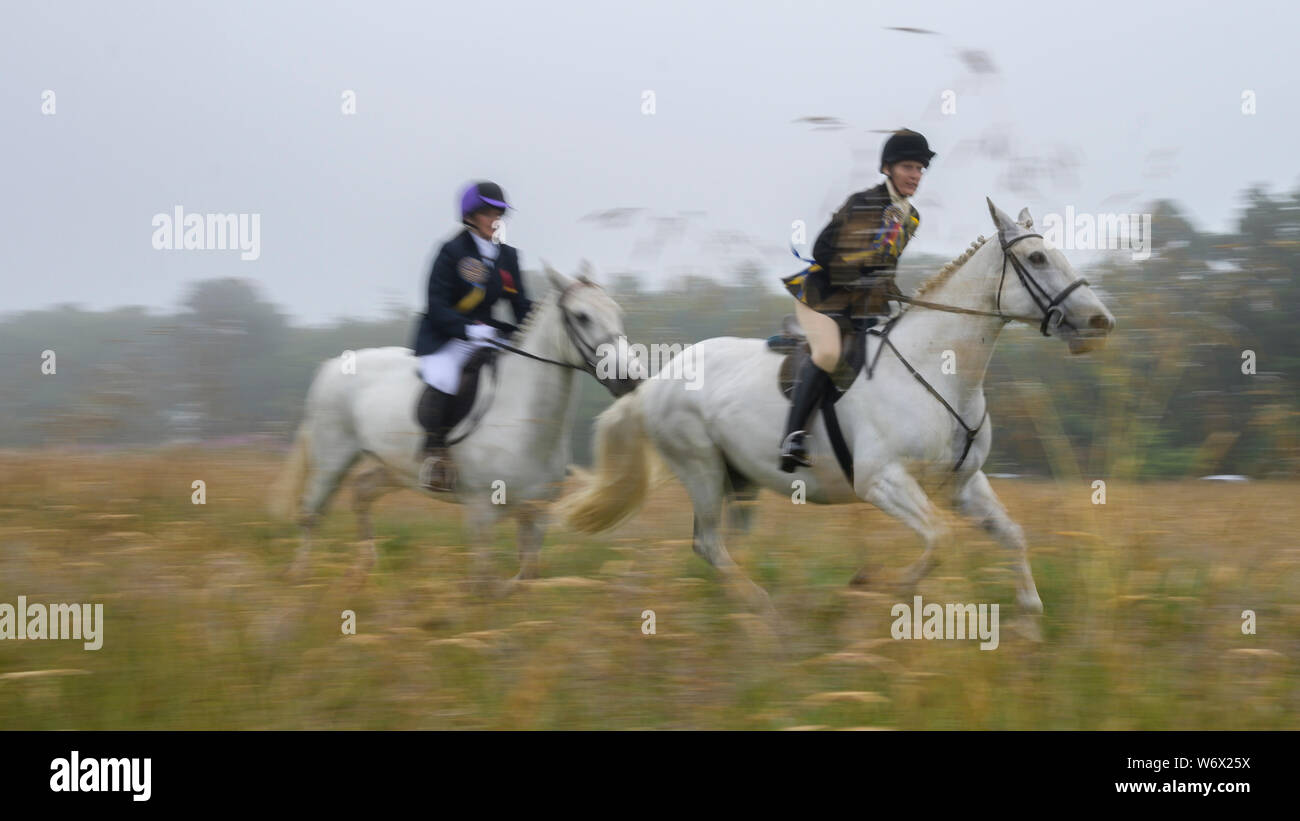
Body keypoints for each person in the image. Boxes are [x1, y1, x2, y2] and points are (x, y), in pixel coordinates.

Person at [777, 128, 935, 472]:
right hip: (822, 298)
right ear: (887, 168)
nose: (915, 175)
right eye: (908, 167)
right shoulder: (862, 203)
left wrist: (890, 290)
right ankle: (793, 437)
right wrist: (859, 277)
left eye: (920, 168)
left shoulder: (911, 216)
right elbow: (822, 250)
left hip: (863, 308)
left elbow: (885, 263)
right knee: (830, 353)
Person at [411, 181, 532, 491]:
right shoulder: (451, 252)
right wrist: (467, 330)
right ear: (471, 216)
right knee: (446, 377)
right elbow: (436, 306)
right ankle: (435, 452)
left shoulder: (508, 258)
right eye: (489, 212)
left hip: (490, 334)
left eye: (499, 213)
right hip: (447, 334)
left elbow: (520, 307)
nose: (496, 219)